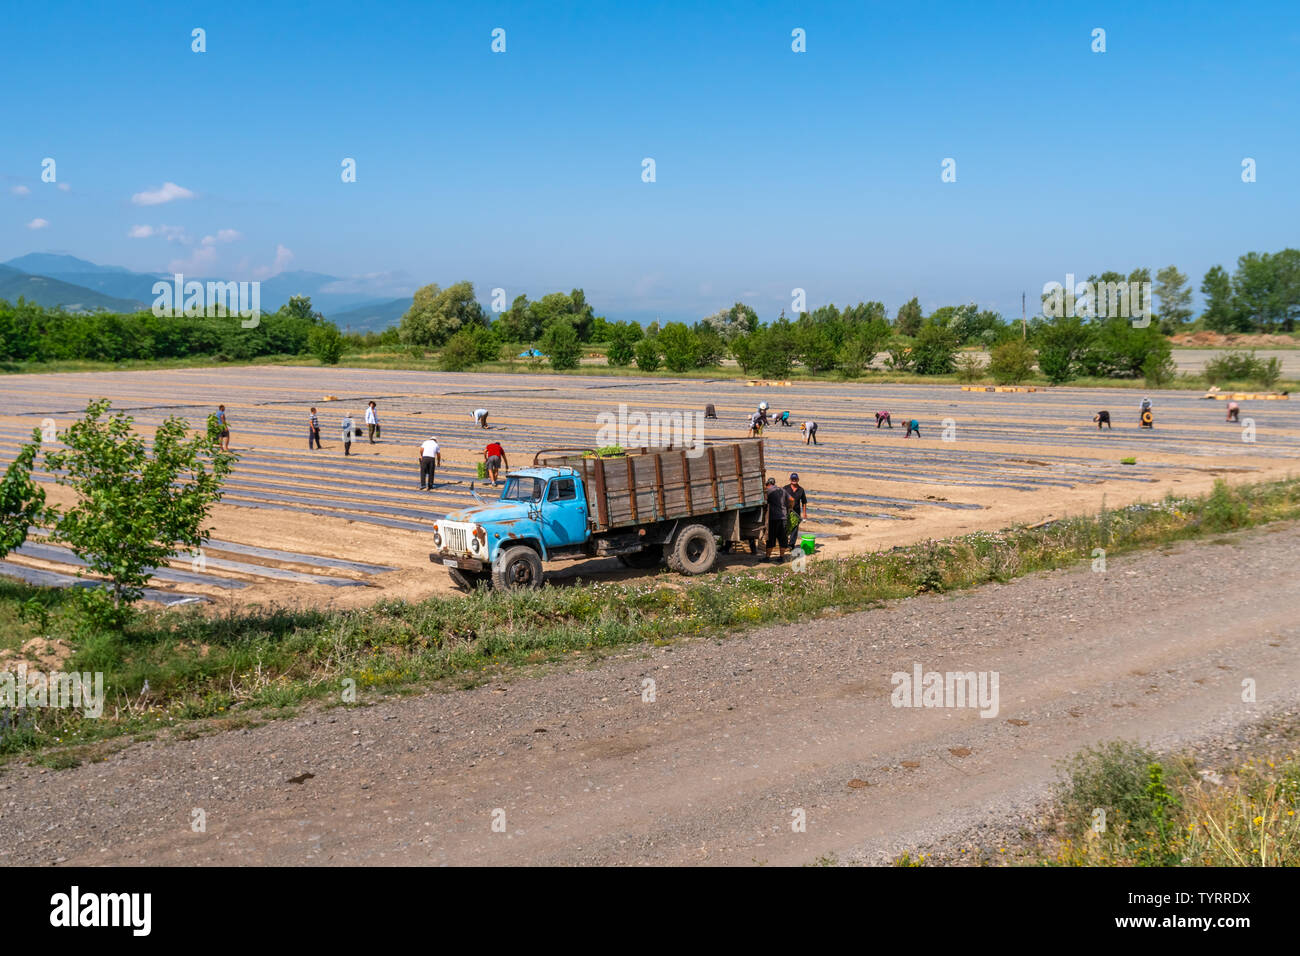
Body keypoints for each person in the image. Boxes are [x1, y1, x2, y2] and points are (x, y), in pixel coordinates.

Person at [763, 477, 792, 563]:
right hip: (783, 518)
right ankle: (781, 557)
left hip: (773, 518)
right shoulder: (782, 490)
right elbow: (791, 499)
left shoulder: (768, 491)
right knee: (783, 538)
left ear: (768, 484)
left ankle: (767, 558)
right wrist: (790, 508)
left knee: (771, 538)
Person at [784, 472, 808, 551]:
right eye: (792, 479)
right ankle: (784, 544)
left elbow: (804, 502)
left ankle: (791, 545)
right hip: (786, 511)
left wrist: (804, 513)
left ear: (798, 480)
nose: (794, 480)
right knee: (785, 527)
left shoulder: (801, 490)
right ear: (790, 479)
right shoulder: (785, 488)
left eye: (795, 479)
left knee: (794, 528)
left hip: (796, 512)